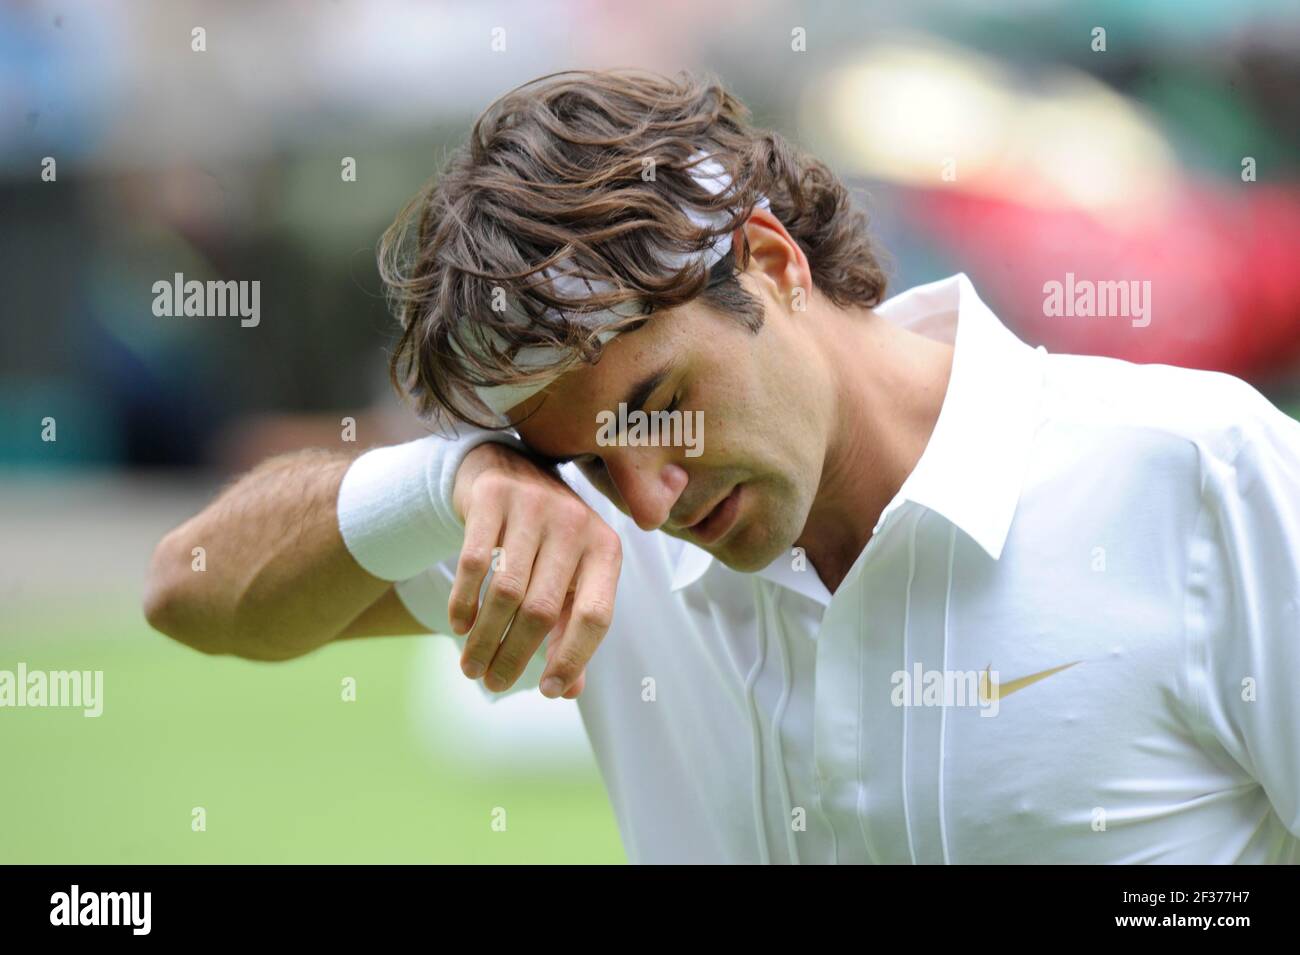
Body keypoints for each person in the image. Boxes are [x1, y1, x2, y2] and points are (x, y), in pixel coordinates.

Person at [144, 69, 1300, 864]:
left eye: (661, 408)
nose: (648, 496)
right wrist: (446, 482)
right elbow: (192, 591)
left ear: (769, 261)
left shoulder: (1202, 471)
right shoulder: (586, 521)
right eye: (589, 455)